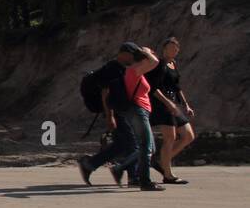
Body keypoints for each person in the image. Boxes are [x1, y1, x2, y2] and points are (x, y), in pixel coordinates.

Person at [78, 42, 163, 191]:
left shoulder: (126, 68)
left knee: (123, 144)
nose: (133, 56)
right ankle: (133, 176)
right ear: (123, 53)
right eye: (132, 53)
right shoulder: (113, 69)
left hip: (123, 110)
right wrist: (110, 116)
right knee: (135, 144)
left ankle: (91, 165)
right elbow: (105, 93)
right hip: (118, 112)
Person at [149, 36, 196, 185]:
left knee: (188, 136)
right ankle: (168, 175)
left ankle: (162, 162)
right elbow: (153, 88)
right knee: (170, 137)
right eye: (170, 48)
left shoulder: (173, 64)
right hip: (161, 104)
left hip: (174, 104)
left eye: (176, 49)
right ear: (164, 49)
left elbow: (177, 87)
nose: (173, 51)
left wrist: (186, 105)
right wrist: (167, 103)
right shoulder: (158, 64)